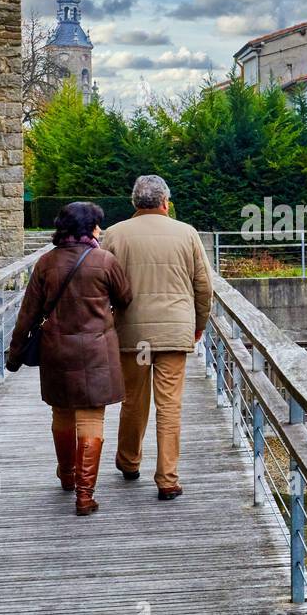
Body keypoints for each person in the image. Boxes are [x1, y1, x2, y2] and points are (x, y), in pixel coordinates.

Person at [7, 201, 131, 516]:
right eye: (97, 225)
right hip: (97, 352)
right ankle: (85, 496)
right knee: (91, 418)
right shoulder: (105, 261)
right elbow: (125, 297)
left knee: (62, 413)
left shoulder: (46, 263)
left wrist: (15, 354)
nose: (100, 231)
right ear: (88, 228)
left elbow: (28, 314)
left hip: (56, 351)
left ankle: (67, 475)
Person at [102, 175, 212, 501]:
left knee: (134, 400)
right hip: (174, 332)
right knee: (170, 404)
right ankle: (167, 478)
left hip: (134, 336)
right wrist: (198, 323)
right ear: (165, 201)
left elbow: (102, 284)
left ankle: (129, 460)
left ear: (135, 202)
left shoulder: (115, 234)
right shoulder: (186, 233)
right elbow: (203, 286)